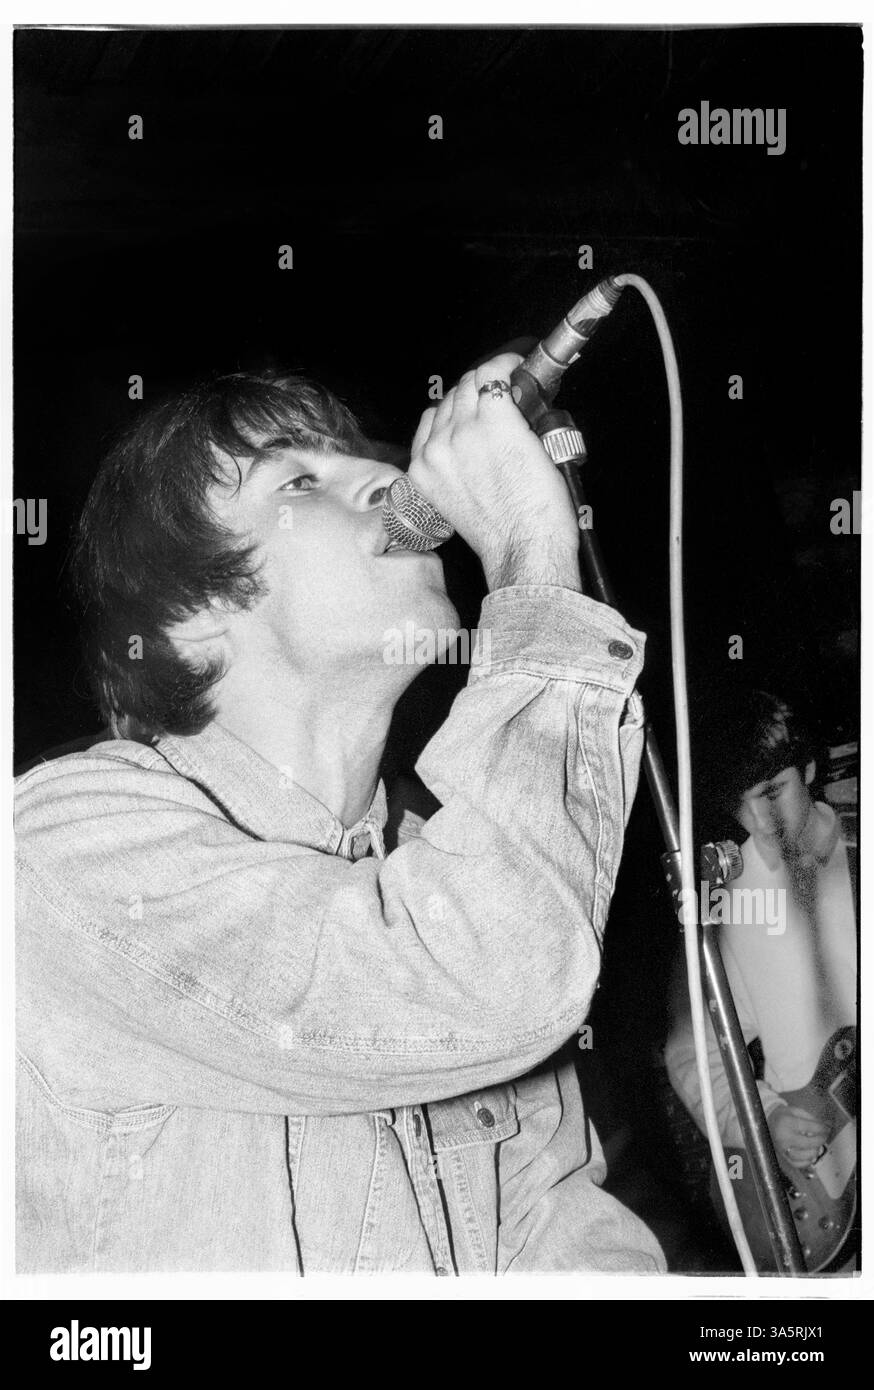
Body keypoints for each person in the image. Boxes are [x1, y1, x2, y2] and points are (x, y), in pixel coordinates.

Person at [16, 360, 664, 1275]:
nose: (391, 479)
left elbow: (555, 1224)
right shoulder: (61, 846)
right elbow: (480, 976)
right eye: (300, 480)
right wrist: (531, 562)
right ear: (191, 614)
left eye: (362, 457)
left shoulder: (450, 861)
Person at [664, 690, 856, 1202]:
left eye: (773, 791)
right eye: (741, 804)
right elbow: (694, 1052)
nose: (760, 820)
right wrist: (764, 1118)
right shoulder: (726, 904)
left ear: (809, 769)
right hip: (825, 1189)